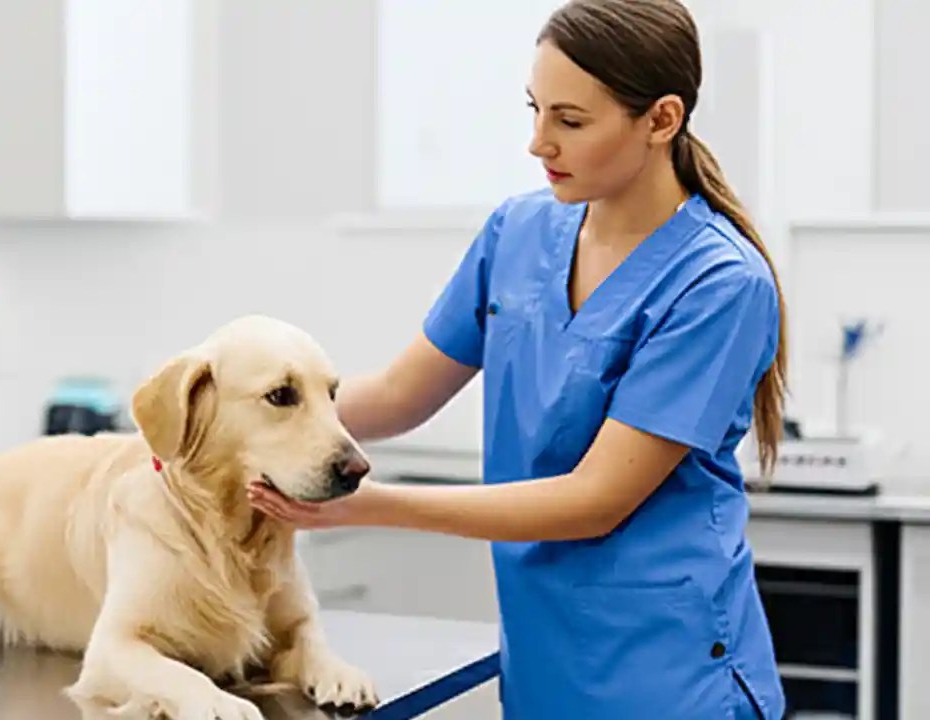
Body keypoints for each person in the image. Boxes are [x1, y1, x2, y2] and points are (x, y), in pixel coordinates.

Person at [247, 1, 788, 717]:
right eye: (535, 110)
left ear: (661, 120)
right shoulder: (519, 232)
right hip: (544, 669)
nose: (539, 143)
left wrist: (366, 504)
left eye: (570, 121)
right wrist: (237, 420)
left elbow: (593, 501)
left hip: (670, 675)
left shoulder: (719, 284)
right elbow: (399, 396)